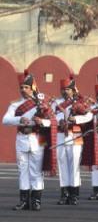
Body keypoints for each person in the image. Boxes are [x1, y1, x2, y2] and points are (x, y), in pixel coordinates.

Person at [3, 71, 55, 211]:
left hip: (37, 138)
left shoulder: (42, 103)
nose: (23, 90)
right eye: (21, 87)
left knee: (36, 171)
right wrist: (19, 119)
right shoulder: (15, 105)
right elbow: (5, 120)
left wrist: (41, 121)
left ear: (32, 87)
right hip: (21, 138)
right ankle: (24, 200)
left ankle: (36, 200)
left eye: (26, 87)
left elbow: (52, 121)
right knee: (22, 170)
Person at [53, 75, 92, 206]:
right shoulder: (55, 104)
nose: (65, 92)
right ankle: (64, 193)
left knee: (74, 166)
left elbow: (89, 115)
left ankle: (74, 194)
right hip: (60, 135)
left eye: (68, 89)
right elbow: (51, 117)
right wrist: (59, 121)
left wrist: (76, 120)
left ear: (73, 90)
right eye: (63, 89)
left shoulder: (79, 103)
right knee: (62, 165)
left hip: (75, 136)